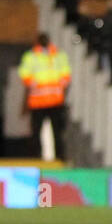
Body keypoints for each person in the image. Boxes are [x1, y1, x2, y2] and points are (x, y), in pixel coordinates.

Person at [18, 33, 72, 161]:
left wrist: (60, 88)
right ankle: (35, 156)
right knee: (36, 131)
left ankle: (59, 155)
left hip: (55, 100)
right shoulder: (31, 56)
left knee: (57, 131)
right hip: (38, 101)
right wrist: (35, 83)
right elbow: (24, 75)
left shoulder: (59, 55)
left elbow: (66, 75)